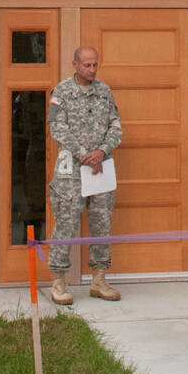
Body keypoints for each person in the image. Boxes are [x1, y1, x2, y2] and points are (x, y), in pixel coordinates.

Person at [47, 45, 122, 305]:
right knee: (66, 224)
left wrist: (101, 151)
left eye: (94, 65)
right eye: (86, 65)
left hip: (100, 168)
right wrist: (84, 153)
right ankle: (59, 281)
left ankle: (99, 280)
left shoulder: (104, 91)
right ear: (75, 64)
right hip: (71, 171)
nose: (91, 69)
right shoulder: (61, 92)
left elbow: (116, 125)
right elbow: (57, 128)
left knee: (101, 224)